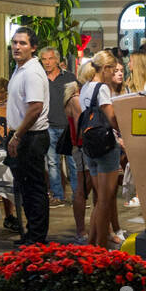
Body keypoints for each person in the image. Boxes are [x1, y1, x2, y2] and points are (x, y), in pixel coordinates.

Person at [7, 26, 51, 245]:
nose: (17, 47)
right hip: (24, 135)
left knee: (34, 189)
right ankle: (32, 234)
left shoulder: (32, 72)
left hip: (31, 136)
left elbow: (35, 107)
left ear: (33, 47)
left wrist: (17, 136)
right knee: (26, 187)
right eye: (15, 42)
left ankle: (36, 238)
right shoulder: (20, 69)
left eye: (22, 43)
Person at [80, 51, 126, 247]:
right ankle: (100, 246)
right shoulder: (102, 89)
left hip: (90, 146)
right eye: (113, 69)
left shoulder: (84, 88)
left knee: (99, 199)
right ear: (105, 69)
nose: (114, 73)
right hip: (106, 146)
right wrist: (125, 133)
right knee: (106, 199)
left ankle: (92, 243)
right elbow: (111, 118)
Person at [41, 47, 74, 208]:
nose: (47, 62)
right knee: (52, 163)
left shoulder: (69, 77)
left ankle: (77, 195)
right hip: (49, 125)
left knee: (73, 163)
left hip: (68, 126)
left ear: (57, 60)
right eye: (44, 59)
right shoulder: (40, 78)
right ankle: (57, 196)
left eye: (50, 58)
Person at [63, 81, 89, 244]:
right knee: (82, 189)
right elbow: (81, 126)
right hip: (81, 147)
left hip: (80, 147)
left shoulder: (73, 99)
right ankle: (81, 231)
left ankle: (84, 230)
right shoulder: (76, 99)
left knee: (84, 189)